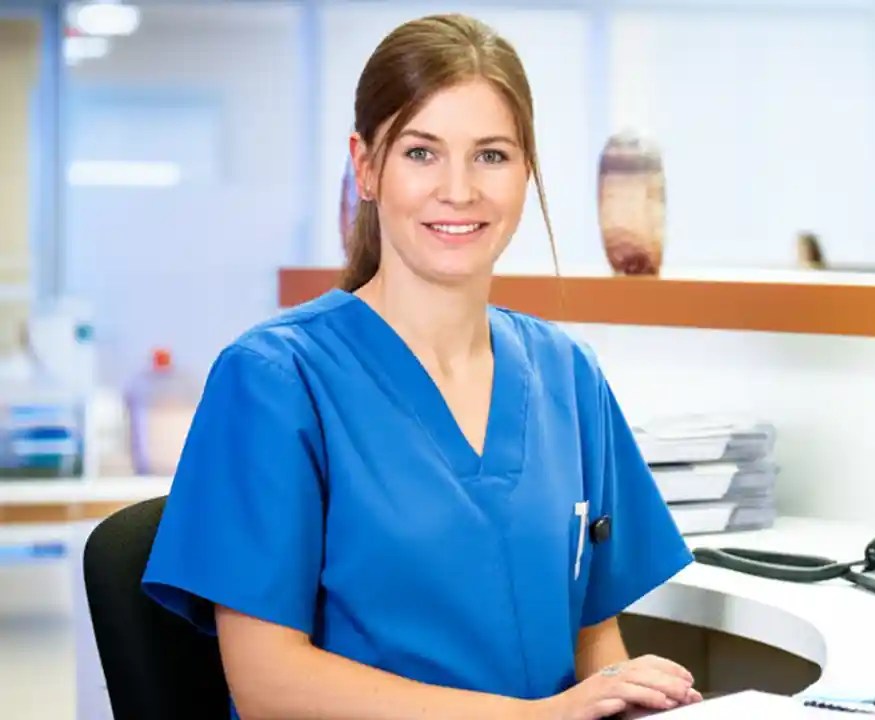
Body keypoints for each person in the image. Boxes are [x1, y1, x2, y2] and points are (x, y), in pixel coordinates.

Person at [141, 13, 702, 720]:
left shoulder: (568, 374)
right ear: (366, 167)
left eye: (491, 155)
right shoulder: (276, 379)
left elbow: (591, 637)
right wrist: (533, 718)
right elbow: (267, 684)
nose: (459, 190)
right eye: (421, 153)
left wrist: (627, 692)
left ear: (527, 170)